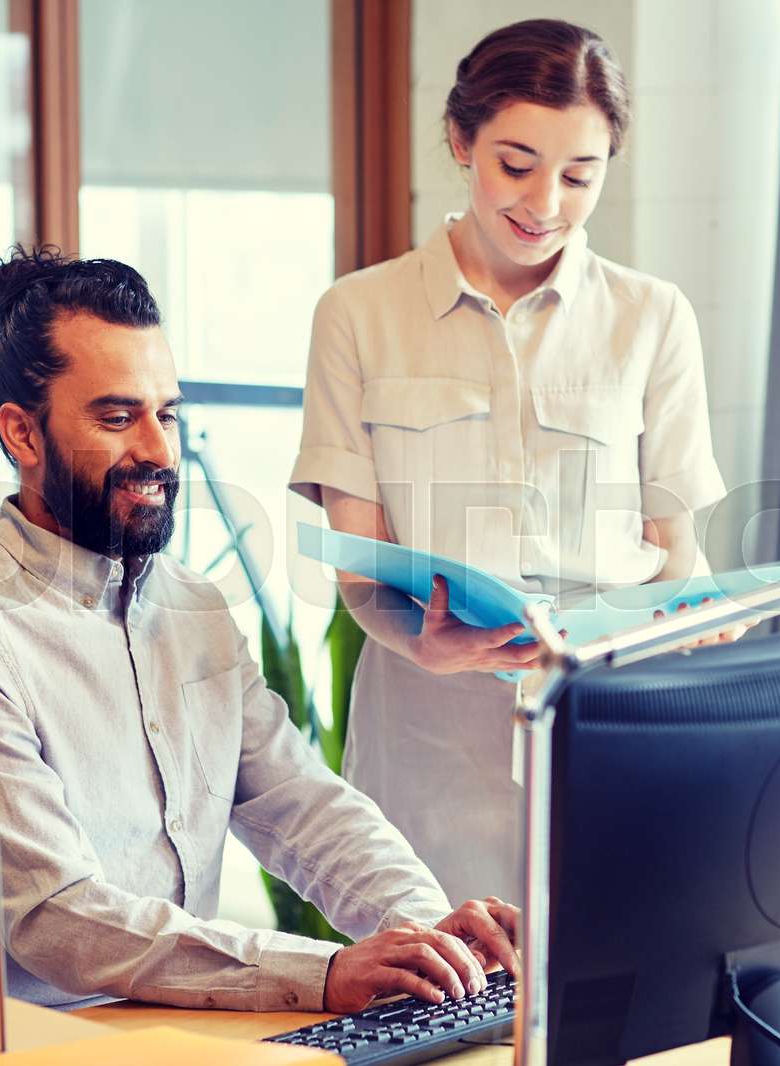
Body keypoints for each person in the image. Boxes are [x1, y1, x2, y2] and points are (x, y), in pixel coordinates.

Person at [0, 248, 519, 1014]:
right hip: (7, 1040)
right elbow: (56, 915)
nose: (157, 450)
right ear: (21, 434)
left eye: (168, 413)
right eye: (117, 418)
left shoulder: (193, 610)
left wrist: (425, 927)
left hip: (168, 1030)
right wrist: (321, 975)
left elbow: (300, 802)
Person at [290, 19, 738, 907]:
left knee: (611, 1003)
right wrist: (424, 640)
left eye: (581, 175)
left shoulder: (653, 317)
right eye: (516, 163)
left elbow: (675, 547)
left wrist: (699, 613)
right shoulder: (356, 314)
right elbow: (360, 565)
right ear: (462, 141)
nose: (546, 203)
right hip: (429, 742)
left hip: (607, 725)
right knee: (439, 1013)